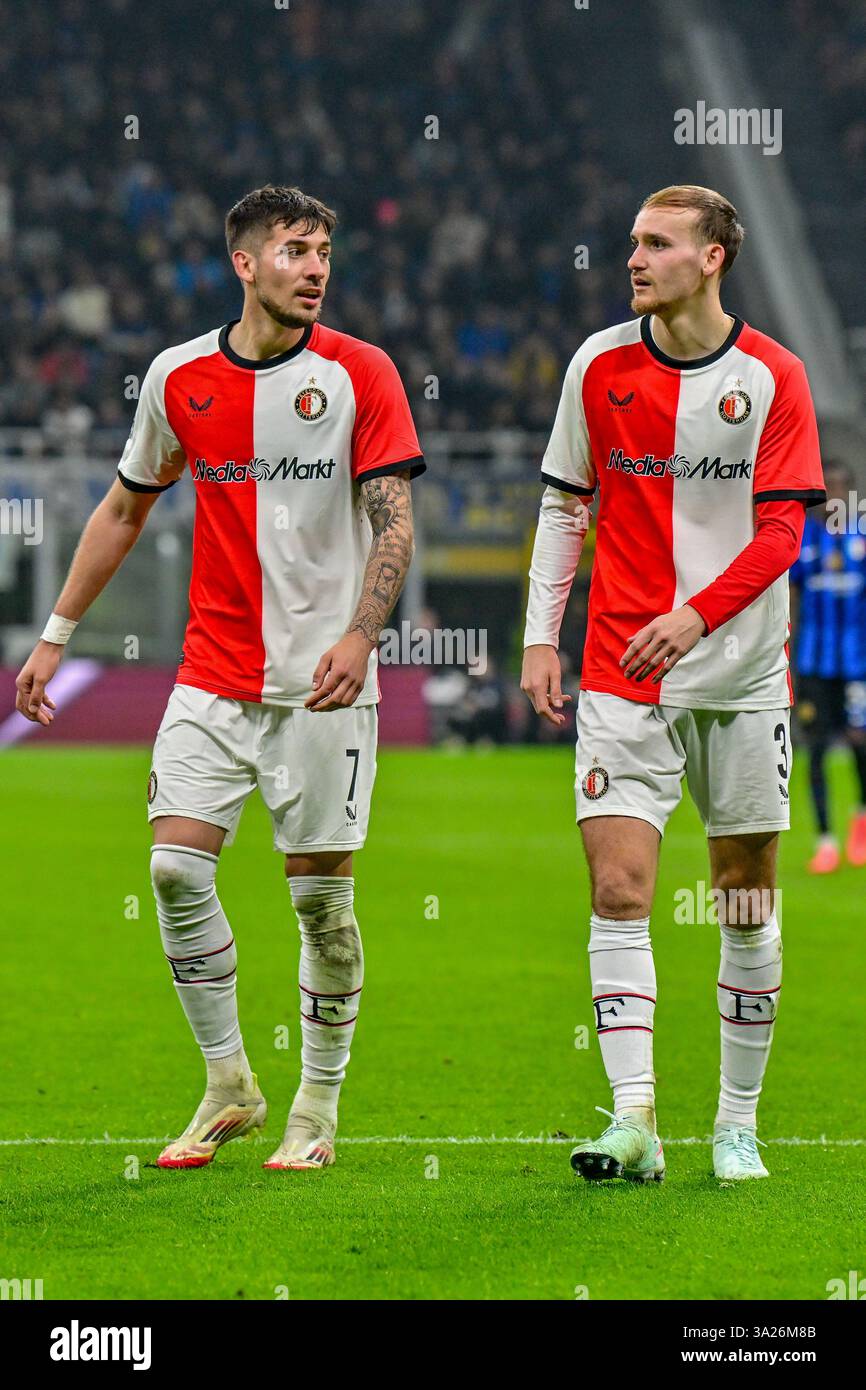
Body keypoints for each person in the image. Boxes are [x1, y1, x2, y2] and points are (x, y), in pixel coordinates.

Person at [15, 185, 424, 1172]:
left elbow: (394, 520)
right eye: (295, 249)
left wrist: (362, 637)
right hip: (210, 675)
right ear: (243, 263)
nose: (316, 266)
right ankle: (230, 1081)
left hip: (322, 686)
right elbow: (124, 506)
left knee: (321, 905)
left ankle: (316, 1107)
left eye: (324, 249)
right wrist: (56, 633)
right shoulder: (178, 377)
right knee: (170, 868)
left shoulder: (361, 373)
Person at [521, 184, 824, 1183]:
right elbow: (566, 505)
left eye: (655, 244)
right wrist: (539, 636)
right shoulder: (596, 364)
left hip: (737, 678)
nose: (633, 260)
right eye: (629, 243)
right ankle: (633, 1117)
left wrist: (698, 614)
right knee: (617, 889)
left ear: (712, 257)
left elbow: (781, 530)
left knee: (741, 898)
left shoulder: (771, 375)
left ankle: (735, 1121)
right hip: (620, 671)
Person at [790, 459, 866, 873]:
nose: (834, 495)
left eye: (841, 487)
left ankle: (860, 821)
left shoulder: (862, 542)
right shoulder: (804, 540)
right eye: (828, 488)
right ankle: (825, 842)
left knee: (860, 745)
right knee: (815, 750)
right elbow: (788, 594)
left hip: (857, 666)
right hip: (814, 664)